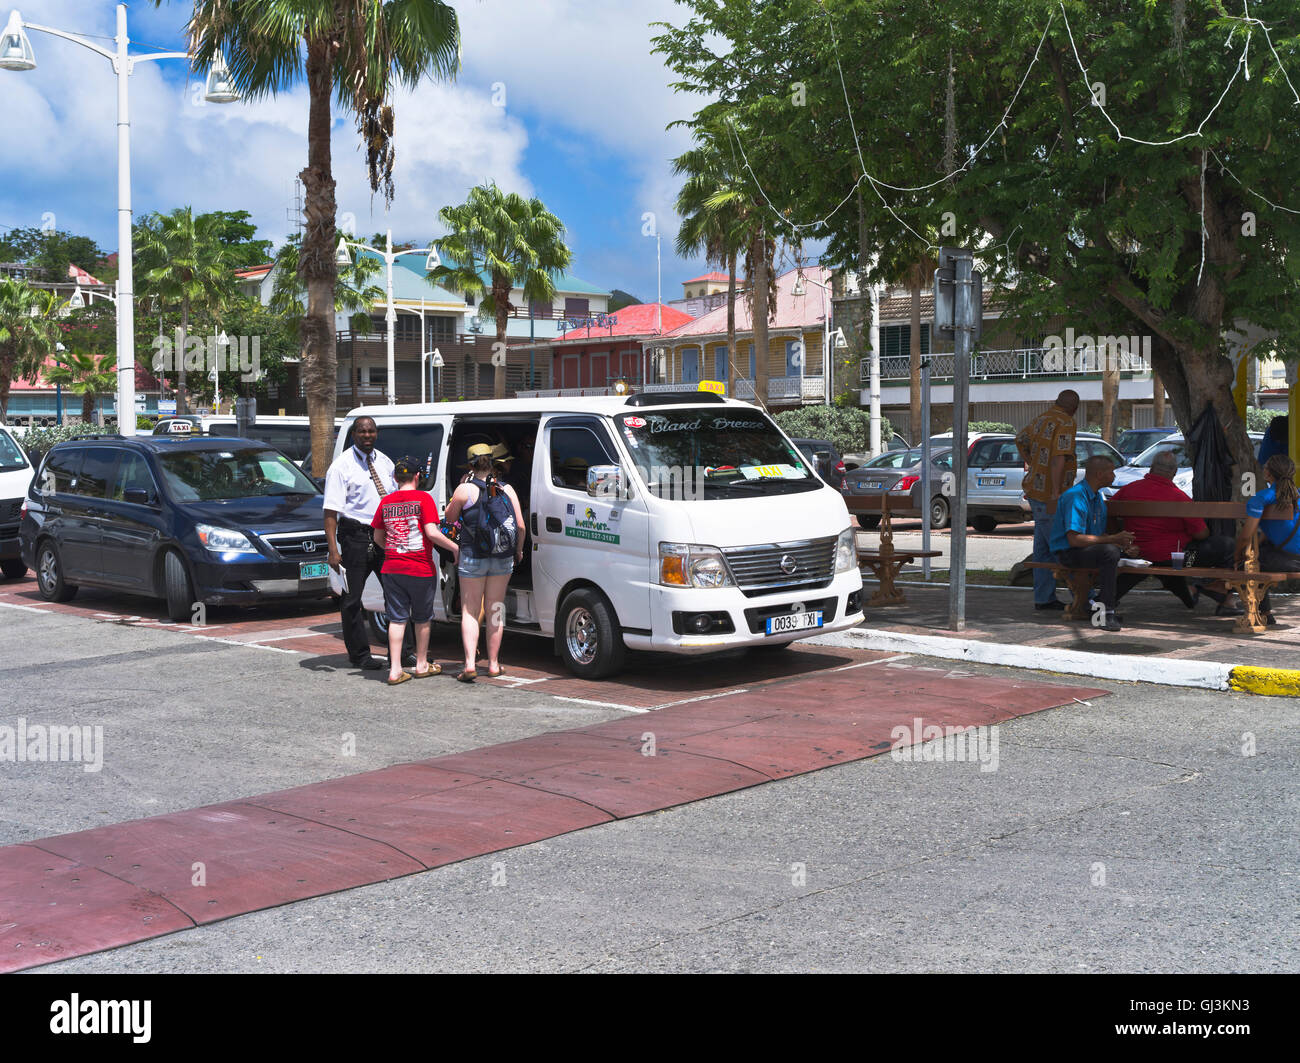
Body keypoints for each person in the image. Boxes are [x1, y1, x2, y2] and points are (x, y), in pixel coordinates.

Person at [324, 416, 412, 671]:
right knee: (352, 599)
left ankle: (404, 653)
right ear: (354, 435)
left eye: (371, 431)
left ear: (376, 433)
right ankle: (360, 656)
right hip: (355, 537)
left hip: (384, 536)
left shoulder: (384, 462)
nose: (367, 435)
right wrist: (333, 550)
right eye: (362, 432)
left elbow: (395, 498)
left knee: (397, 594)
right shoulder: (341, 467)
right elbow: (330, 512)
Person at [1112, 449, 1241, 615]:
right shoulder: (1179, 497)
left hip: (1135, 554)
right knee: (1226, 545)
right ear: (1174, 472)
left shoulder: (1127, 490)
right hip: (1177, 559)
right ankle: (1221, 594)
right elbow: (1201, 534)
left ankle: (1200, 589)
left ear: (1151, 468)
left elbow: (1109, 512)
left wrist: (1119, 536)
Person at [371, 457, 460, 684]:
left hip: (392, 566)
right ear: (418, 476)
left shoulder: (386, 502)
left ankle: (395, 669)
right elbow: (431, 532)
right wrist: (454, 547)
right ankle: (421, 664)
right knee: (422, 619)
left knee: (397, 619)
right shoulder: (424, 499)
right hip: (419, 568)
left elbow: (377, 537)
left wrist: (394, 549)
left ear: (394, 478)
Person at [445, 443, 527, 682]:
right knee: (495, 610)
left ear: (470, 465)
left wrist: (460, 489)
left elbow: (450, 520)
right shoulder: (507, 489)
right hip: (502, 557)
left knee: (470, 611)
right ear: (493, 462)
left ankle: (470, 664)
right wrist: (518, 550)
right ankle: (493, 664)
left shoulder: (464, 490)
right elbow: (520, 526)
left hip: (472, 556)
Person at [1049, 454, 1135, 631]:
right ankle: (1105, 613)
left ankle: (1095, 605)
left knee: (1126, 555)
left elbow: (1097, 534)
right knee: (1109, 552)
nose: (1114, 476)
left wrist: (1123, 545)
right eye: (1111, 472)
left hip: (1087, 549)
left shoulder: (1097, 497)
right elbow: (1074, 539)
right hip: (1068, 552)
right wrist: (1112, 540)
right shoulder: (1076, 496)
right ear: (1099, 474)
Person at [1016, 389, 1080, 611]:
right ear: (1075, 408)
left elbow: (1020, 440)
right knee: (1060, 544)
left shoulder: (1042, 418)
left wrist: (1033, 464)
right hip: (1050, 495)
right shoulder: (1066, 422)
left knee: (1043, 549)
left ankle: (1044, 597)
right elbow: (1058, 459)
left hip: (1034, 489)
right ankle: (1083, 596)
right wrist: (1055, 493)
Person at [1236, 453, 1300, 625]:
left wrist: (1237, 555)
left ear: (1268, 474)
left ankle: (1262, 613)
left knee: (1246, 564)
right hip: (1294, 558)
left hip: (1286, 561)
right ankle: (1265, 613)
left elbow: (1245, 537)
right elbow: (1282, 531)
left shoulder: (1262, 498)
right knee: (1260, 554)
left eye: (1265, 467)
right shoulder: (1297, 495)